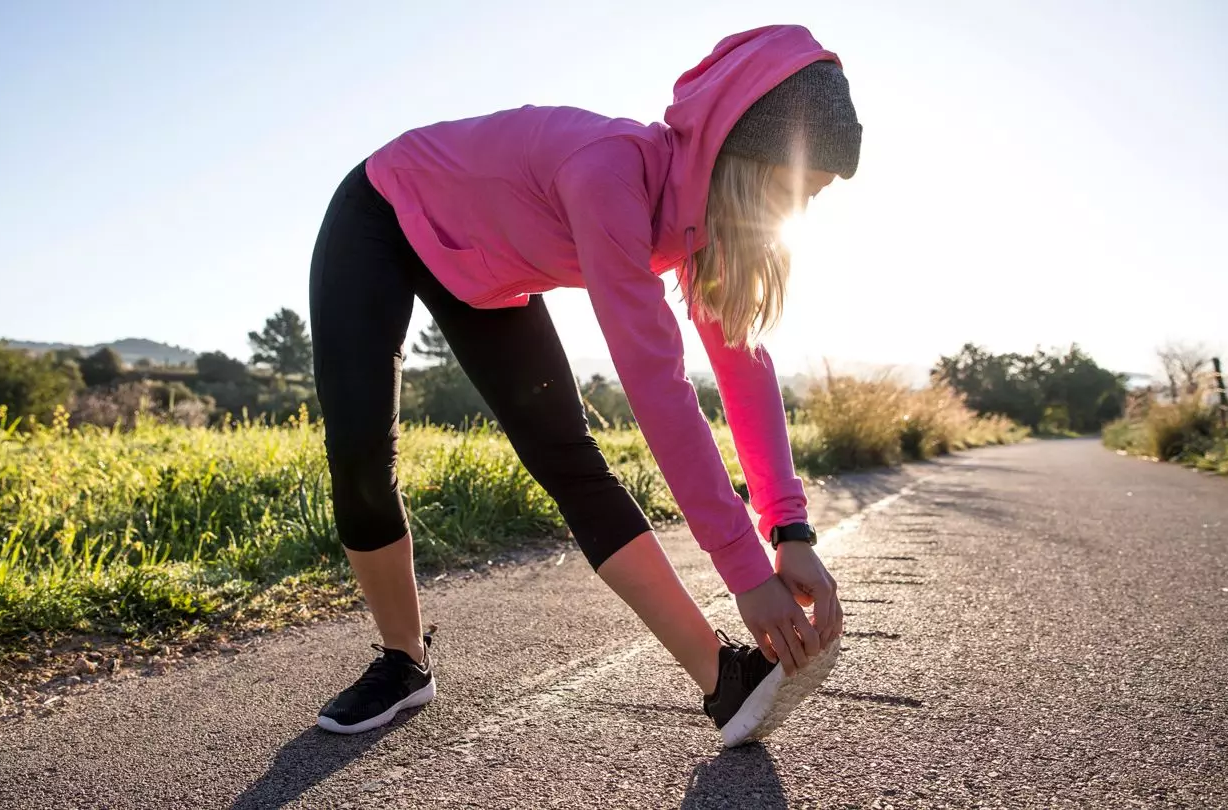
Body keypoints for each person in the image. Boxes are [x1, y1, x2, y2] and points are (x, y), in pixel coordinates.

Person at [308, 24, 860, 748]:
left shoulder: (698, 227)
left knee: (570, 458)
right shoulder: (609, 172)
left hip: (489, 278)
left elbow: (740, 364)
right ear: (752, 157)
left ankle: (725, 679)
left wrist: (787, 531)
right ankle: (403, 660)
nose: (801, 212)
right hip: (383, 214)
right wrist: (744, 573)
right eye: (803, 189)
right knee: (359, 456)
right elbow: (659, 387)